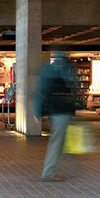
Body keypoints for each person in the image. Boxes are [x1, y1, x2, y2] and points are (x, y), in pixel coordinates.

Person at [37, 51, 81, 181]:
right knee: (57, 142)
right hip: (61, 110)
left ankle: (52, 170)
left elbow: (40, 90)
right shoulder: (62, 71)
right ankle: (49, 172)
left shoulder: (49, 70)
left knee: (59, 140)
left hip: (55, 110)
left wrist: (38, 111)